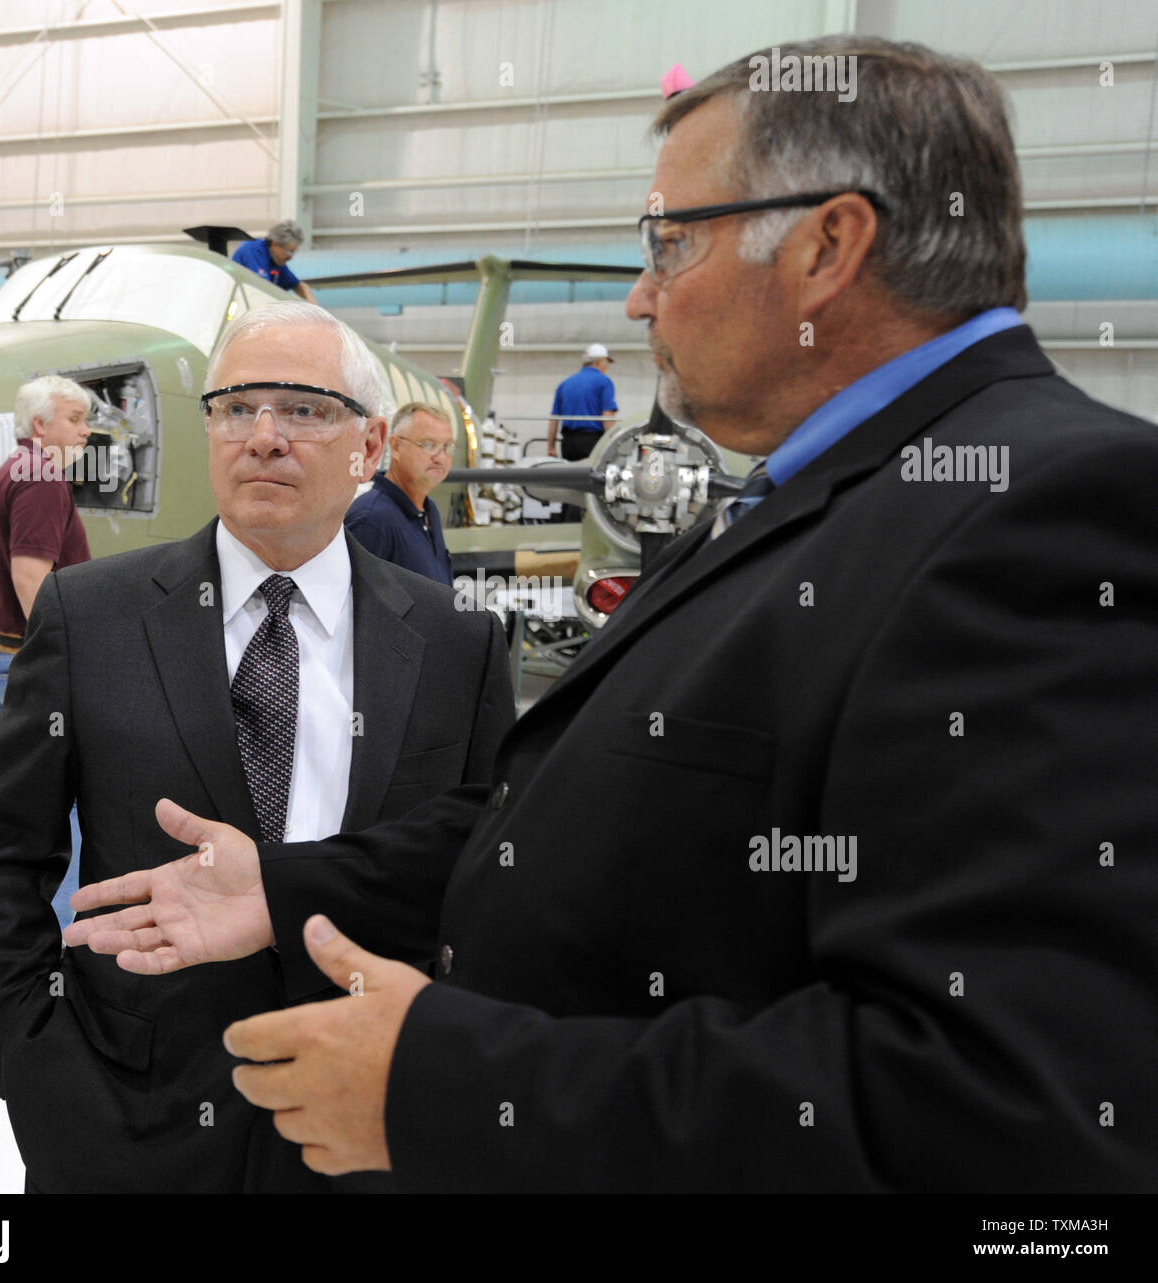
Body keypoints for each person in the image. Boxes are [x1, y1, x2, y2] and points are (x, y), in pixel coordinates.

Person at [66, 37, 1158, 1193]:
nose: (640, 295)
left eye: (668, 242)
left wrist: (446, 1085)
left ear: (828, 246)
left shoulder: (1048, 513)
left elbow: (1012, 1120)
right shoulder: (823, 500)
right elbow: (579, 823)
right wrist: (286, 887)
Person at [0, 301, 514, 1194]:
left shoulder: (456, 642)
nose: (263, 436)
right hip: (126, 1118)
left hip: (360, 1131)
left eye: (303, 408)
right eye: (236, 407)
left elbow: (483, 871)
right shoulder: (91, 615)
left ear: (368, 447)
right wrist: (37, 1066)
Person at [0, 374, 92, 929]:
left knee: (34, 797)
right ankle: (71, 932)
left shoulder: (17, 469)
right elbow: (30, 575)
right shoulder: (42, 475)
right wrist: (62, 656)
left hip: (0, 651)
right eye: (75, 418)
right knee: (68, 803)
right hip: (25, 656)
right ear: (41, 425)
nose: (86, 432)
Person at [344, 401, 454, 585]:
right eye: (428, 445)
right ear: (395, 446)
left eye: (447, 447)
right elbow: (352, 603)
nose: (440, 457)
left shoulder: (429, 511)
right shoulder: (372, 519)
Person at [546, 343, 617, 461]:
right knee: (592, 478)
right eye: (606, 362)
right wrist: (614, 444)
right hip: (593, 442)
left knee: (572, 477)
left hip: (568, 443)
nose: (607, 366)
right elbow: (608, 417)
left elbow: (554, 418)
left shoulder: (565, 384)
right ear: (598, 362)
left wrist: (551, 447)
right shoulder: (604, 382)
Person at [232, 219, 318, 303]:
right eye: (289, 251)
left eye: (293, 252)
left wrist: (314, 308)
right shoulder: (252, 251)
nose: (290, 257)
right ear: (274, 243)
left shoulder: (277, 261)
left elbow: (298, 285)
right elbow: (263, 289)